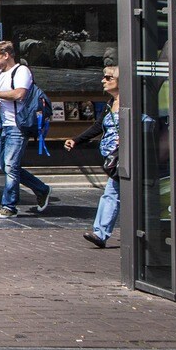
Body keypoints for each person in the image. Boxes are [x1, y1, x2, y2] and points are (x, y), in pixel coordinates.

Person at [0, 39, 52, 220]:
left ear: (6, 55)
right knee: (4, 165)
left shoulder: (21, 71)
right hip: (2, 125)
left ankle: (9, 206)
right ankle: (41, 189)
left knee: (11, 166)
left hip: (18, 125)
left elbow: (19, 94)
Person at [66, 67, 121, 248]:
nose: (103, 80)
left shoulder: (134, 102)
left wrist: (130, 137)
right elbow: (98, 127)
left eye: (108, 77)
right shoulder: (110, 103)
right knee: (113, 193)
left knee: (112, 193)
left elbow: (147, 122)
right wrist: (76, 140)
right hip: (112, 158)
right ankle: (101, 233)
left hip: (127, 156)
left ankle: (100, 234)